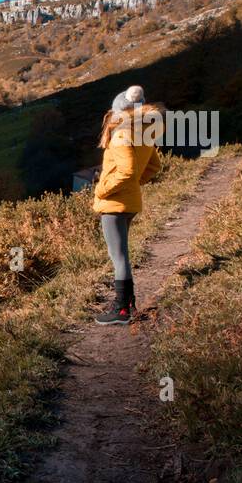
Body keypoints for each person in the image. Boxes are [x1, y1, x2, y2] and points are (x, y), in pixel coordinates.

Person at [92, 85, 164, 325]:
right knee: (121, 254)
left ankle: (122, 310)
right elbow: (153, 166)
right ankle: (127, 304)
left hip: (114, 203)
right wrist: (135, 183)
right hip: (129, 202)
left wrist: (102, 189)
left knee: (118, 256)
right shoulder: (144, 132)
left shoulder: (122, 134)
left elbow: (127, 170)